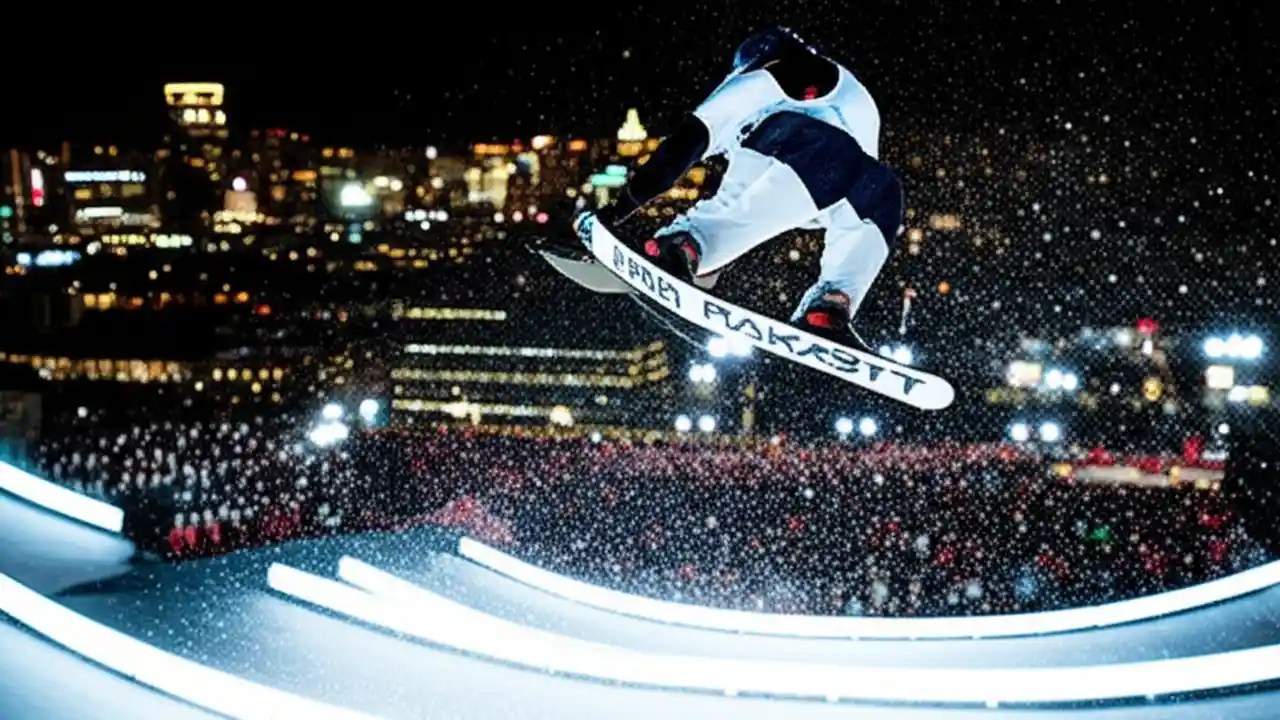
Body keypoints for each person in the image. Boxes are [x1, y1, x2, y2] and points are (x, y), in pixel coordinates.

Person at [578, 26, 903, 351]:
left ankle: (830, 306)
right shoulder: (762, 83)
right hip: (803, 167)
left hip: (814, 183)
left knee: (882, 189)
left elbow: (689, 153)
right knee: (857, 173)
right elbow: (682, 149)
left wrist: (618, 213)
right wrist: (615, 213)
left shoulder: (797, 77)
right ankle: (686, 244)